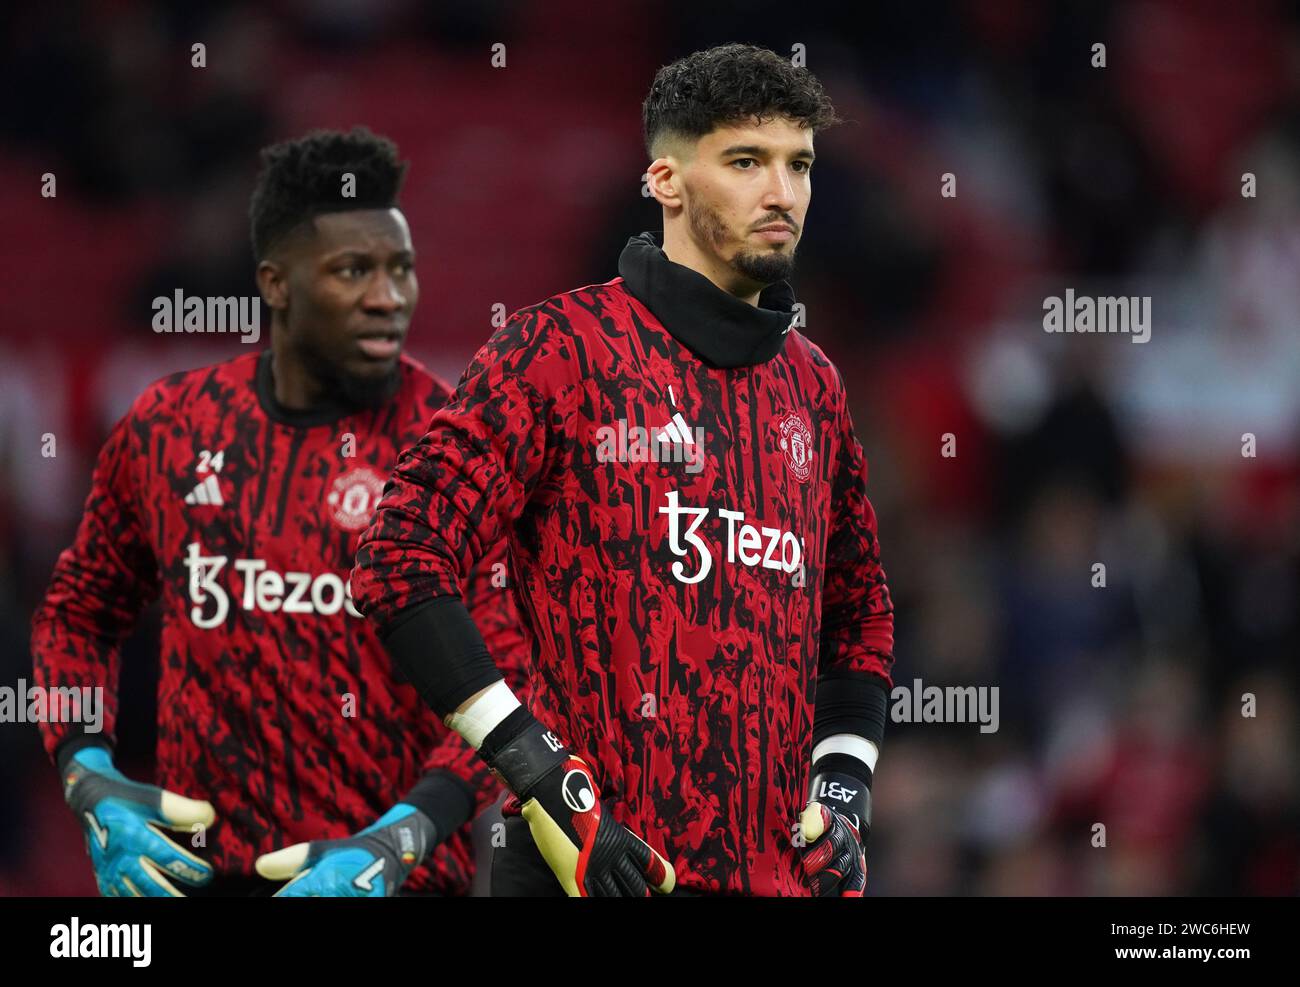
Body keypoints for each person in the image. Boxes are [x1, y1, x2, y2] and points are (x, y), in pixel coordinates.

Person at [353, 44, 895, 896]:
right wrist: (535, 769)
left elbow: (859, 612)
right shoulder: (560, 349)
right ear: (668, 181)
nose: (782, 193)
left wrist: (846, 791)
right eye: (746, 162)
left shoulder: (814, 385)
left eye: (799, 165)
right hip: (592, 870)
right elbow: (401, 552)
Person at [31, 127, 525, 897]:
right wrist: (84, 767)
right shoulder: (171, 426)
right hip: (201, 875)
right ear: (276, 284)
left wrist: (406, 834)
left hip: (394, 877)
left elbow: (507, 679)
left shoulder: (451, 444)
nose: (388, 297)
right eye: (354, 270)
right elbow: (76, 615)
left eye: (402, 269)